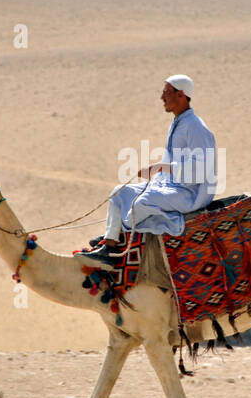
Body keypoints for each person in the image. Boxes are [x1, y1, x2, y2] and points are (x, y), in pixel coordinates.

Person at [76, 74, 217, 269]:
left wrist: (161, 168)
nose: (162, 97)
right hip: (171, 185)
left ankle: (120, 234)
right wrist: (158, 172)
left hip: (190, 194)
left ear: (181, 95)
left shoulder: (195, 127)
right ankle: (109, 244)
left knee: (142, 202)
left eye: (166, 92)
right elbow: (173, 161)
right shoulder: (178, 123)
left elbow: (200, 171)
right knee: (120, 191)